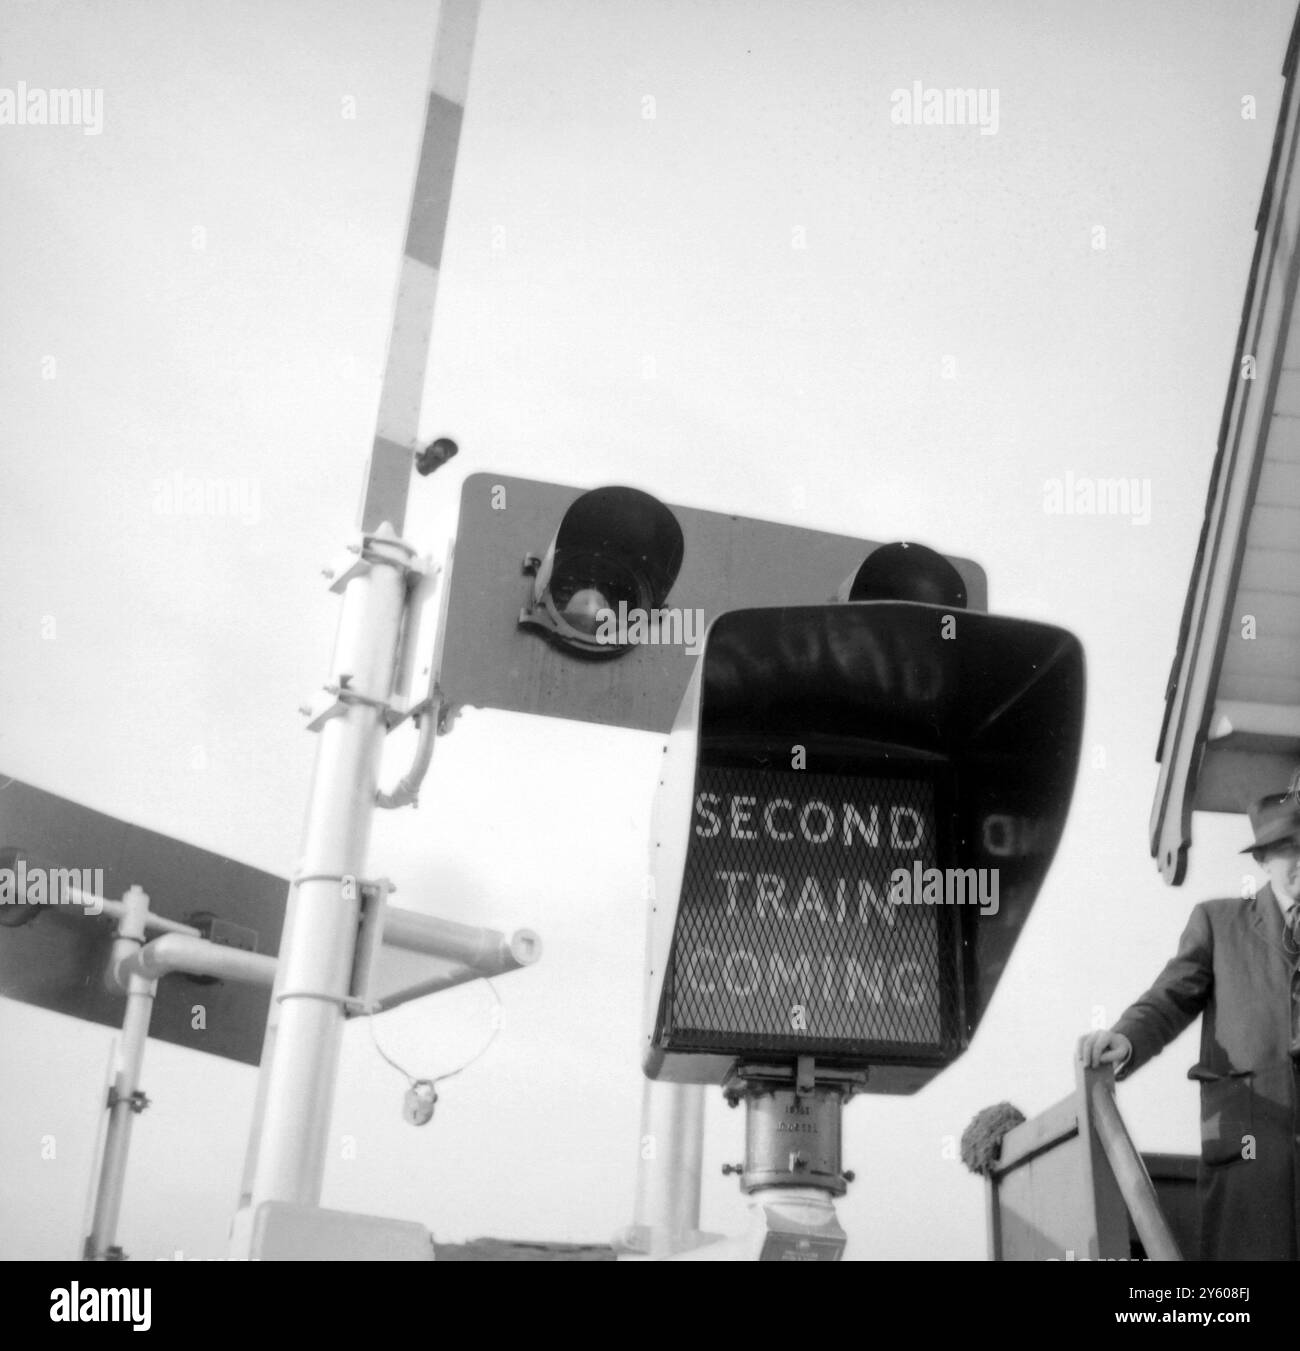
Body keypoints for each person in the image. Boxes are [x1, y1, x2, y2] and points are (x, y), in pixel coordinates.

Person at [1078, 789, 1300, 1261]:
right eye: (1289, 850)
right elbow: (1170, 997)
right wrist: (1126, 1036)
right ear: (1262, 859)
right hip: (1251, 1152)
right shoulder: (1219, 922)